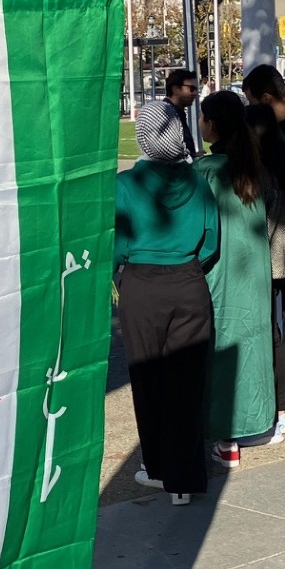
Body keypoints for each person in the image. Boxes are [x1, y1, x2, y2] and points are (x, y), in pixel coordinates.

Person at [114, 103, 217, 504]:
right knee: (188, 384)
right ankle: (185, 474)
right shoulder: (199, 182)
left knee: (149, 379)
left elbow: (117, 244)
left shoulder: (125, 186)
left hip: (142, 285)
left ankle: (157, 466)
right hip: (189, 282)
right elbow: (210, 239)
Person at [197, 91, 276, 470]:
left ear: (212, 124)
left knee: (219, 346)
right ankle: (255, 420)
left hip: (220, 270)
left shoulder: (207, 171)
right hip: (252, 268)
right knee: (249, 341)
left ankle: (223, 435)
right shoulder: (249, 165)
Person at [243, 64, 285, 400]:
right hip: (263, 219)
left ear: (267, 98)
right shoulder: (258, 123)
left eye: (252, 101)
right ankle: (271, 377)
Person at [245, 99, 285, 436]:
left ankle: (278, 407)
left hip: (265, 260)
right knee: (272, 331)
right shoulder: (278, 163)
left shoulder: (261, 172)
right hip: (282, 257)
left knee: (266, 333)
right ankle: (282, 406)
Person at [136, 69, 199, 160]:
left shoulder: (177, 112)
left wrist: (192, 156)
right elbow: (164, 152)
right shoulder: (163, 114)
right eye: (191, 89)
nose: (195, 93)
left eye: (196, 89)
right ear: (175, 89)